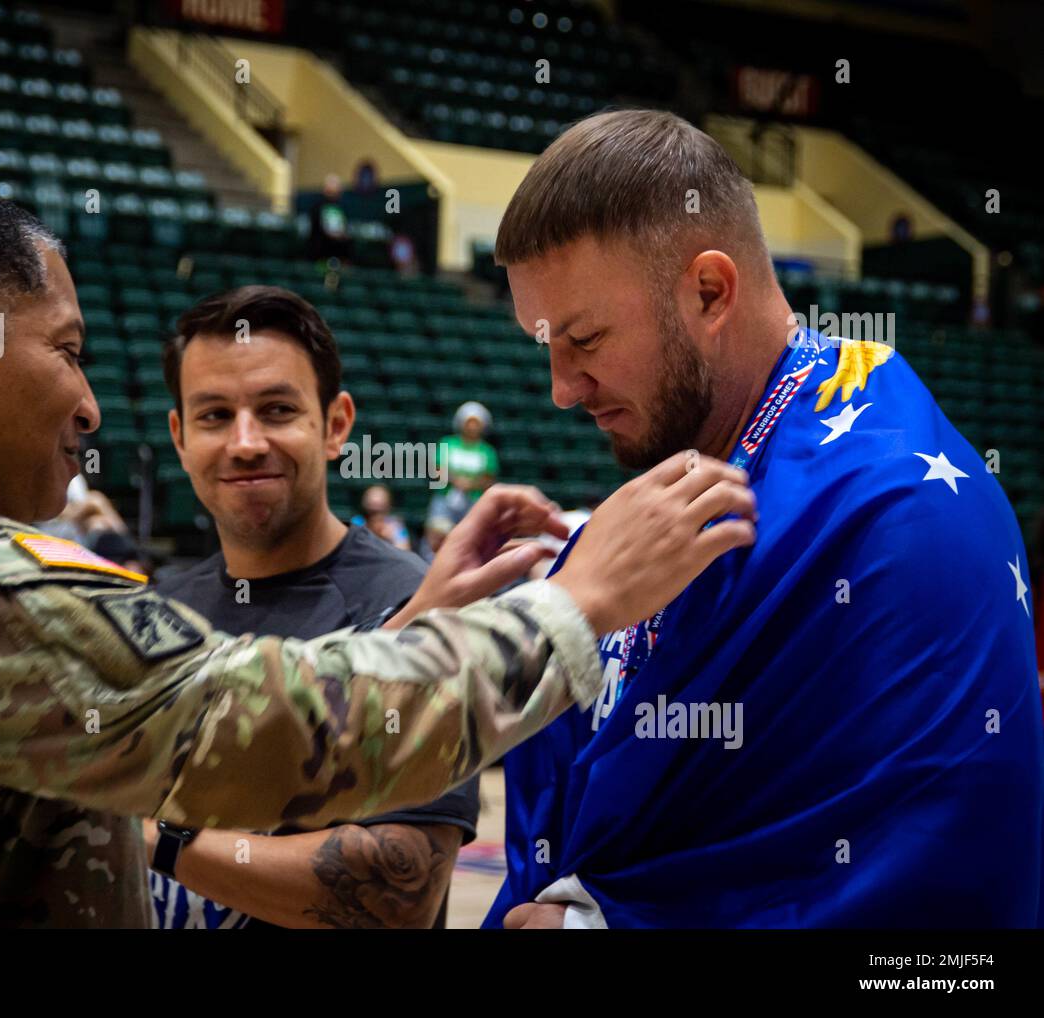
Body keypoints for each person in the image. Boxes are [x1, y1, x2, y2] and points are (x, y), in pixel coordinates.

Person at [0, 179, 757, 927]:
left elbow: (293, 790)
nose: (88, 401)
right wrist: (571, 604)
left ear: (336, 424)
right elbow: (240, 722)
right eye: (63, 348)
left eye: (277, 409)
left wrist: (416, 630)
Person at [484, 109, 1043, 929]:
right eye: (546, 347)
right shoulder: (686, 468)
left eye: (586, 339)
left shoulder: (902, 517)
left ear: (710, 292)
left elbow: (942, 899)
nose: (562, 389)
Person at [148, 287, 477, 928]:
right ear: (179, 436)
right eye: (214, 415)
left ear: (335, 426)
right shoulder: (160, 612)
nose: (246, 443)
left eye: (276, 410)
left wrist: (157, 839)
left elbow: (397, 892)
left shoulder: (411, 605)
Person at [438, 401, 499, 500]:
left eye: (476, 423)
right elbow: (438, 469)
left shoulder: (488, 451)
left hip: (474, 501)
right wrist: (456, 481)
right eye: (469, 423)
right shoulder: (447, 443)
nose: (472, 427)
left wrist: (470, 485)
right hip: (445, 498)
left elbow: (489, 479)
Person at [306, 173, 352, 264]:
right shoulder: (320, 208)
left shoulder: (341, 208)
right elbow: (331, 232)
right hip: (322, 255)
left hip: (335, 255)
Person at [353, 483, 411, 551]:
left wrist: (389, 539)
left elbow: (405, 552)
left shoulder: (395, 525)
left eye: (379, 511)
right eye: (373, 512)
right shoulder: (356, 522)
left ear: (388, 505)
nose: (376, 517)